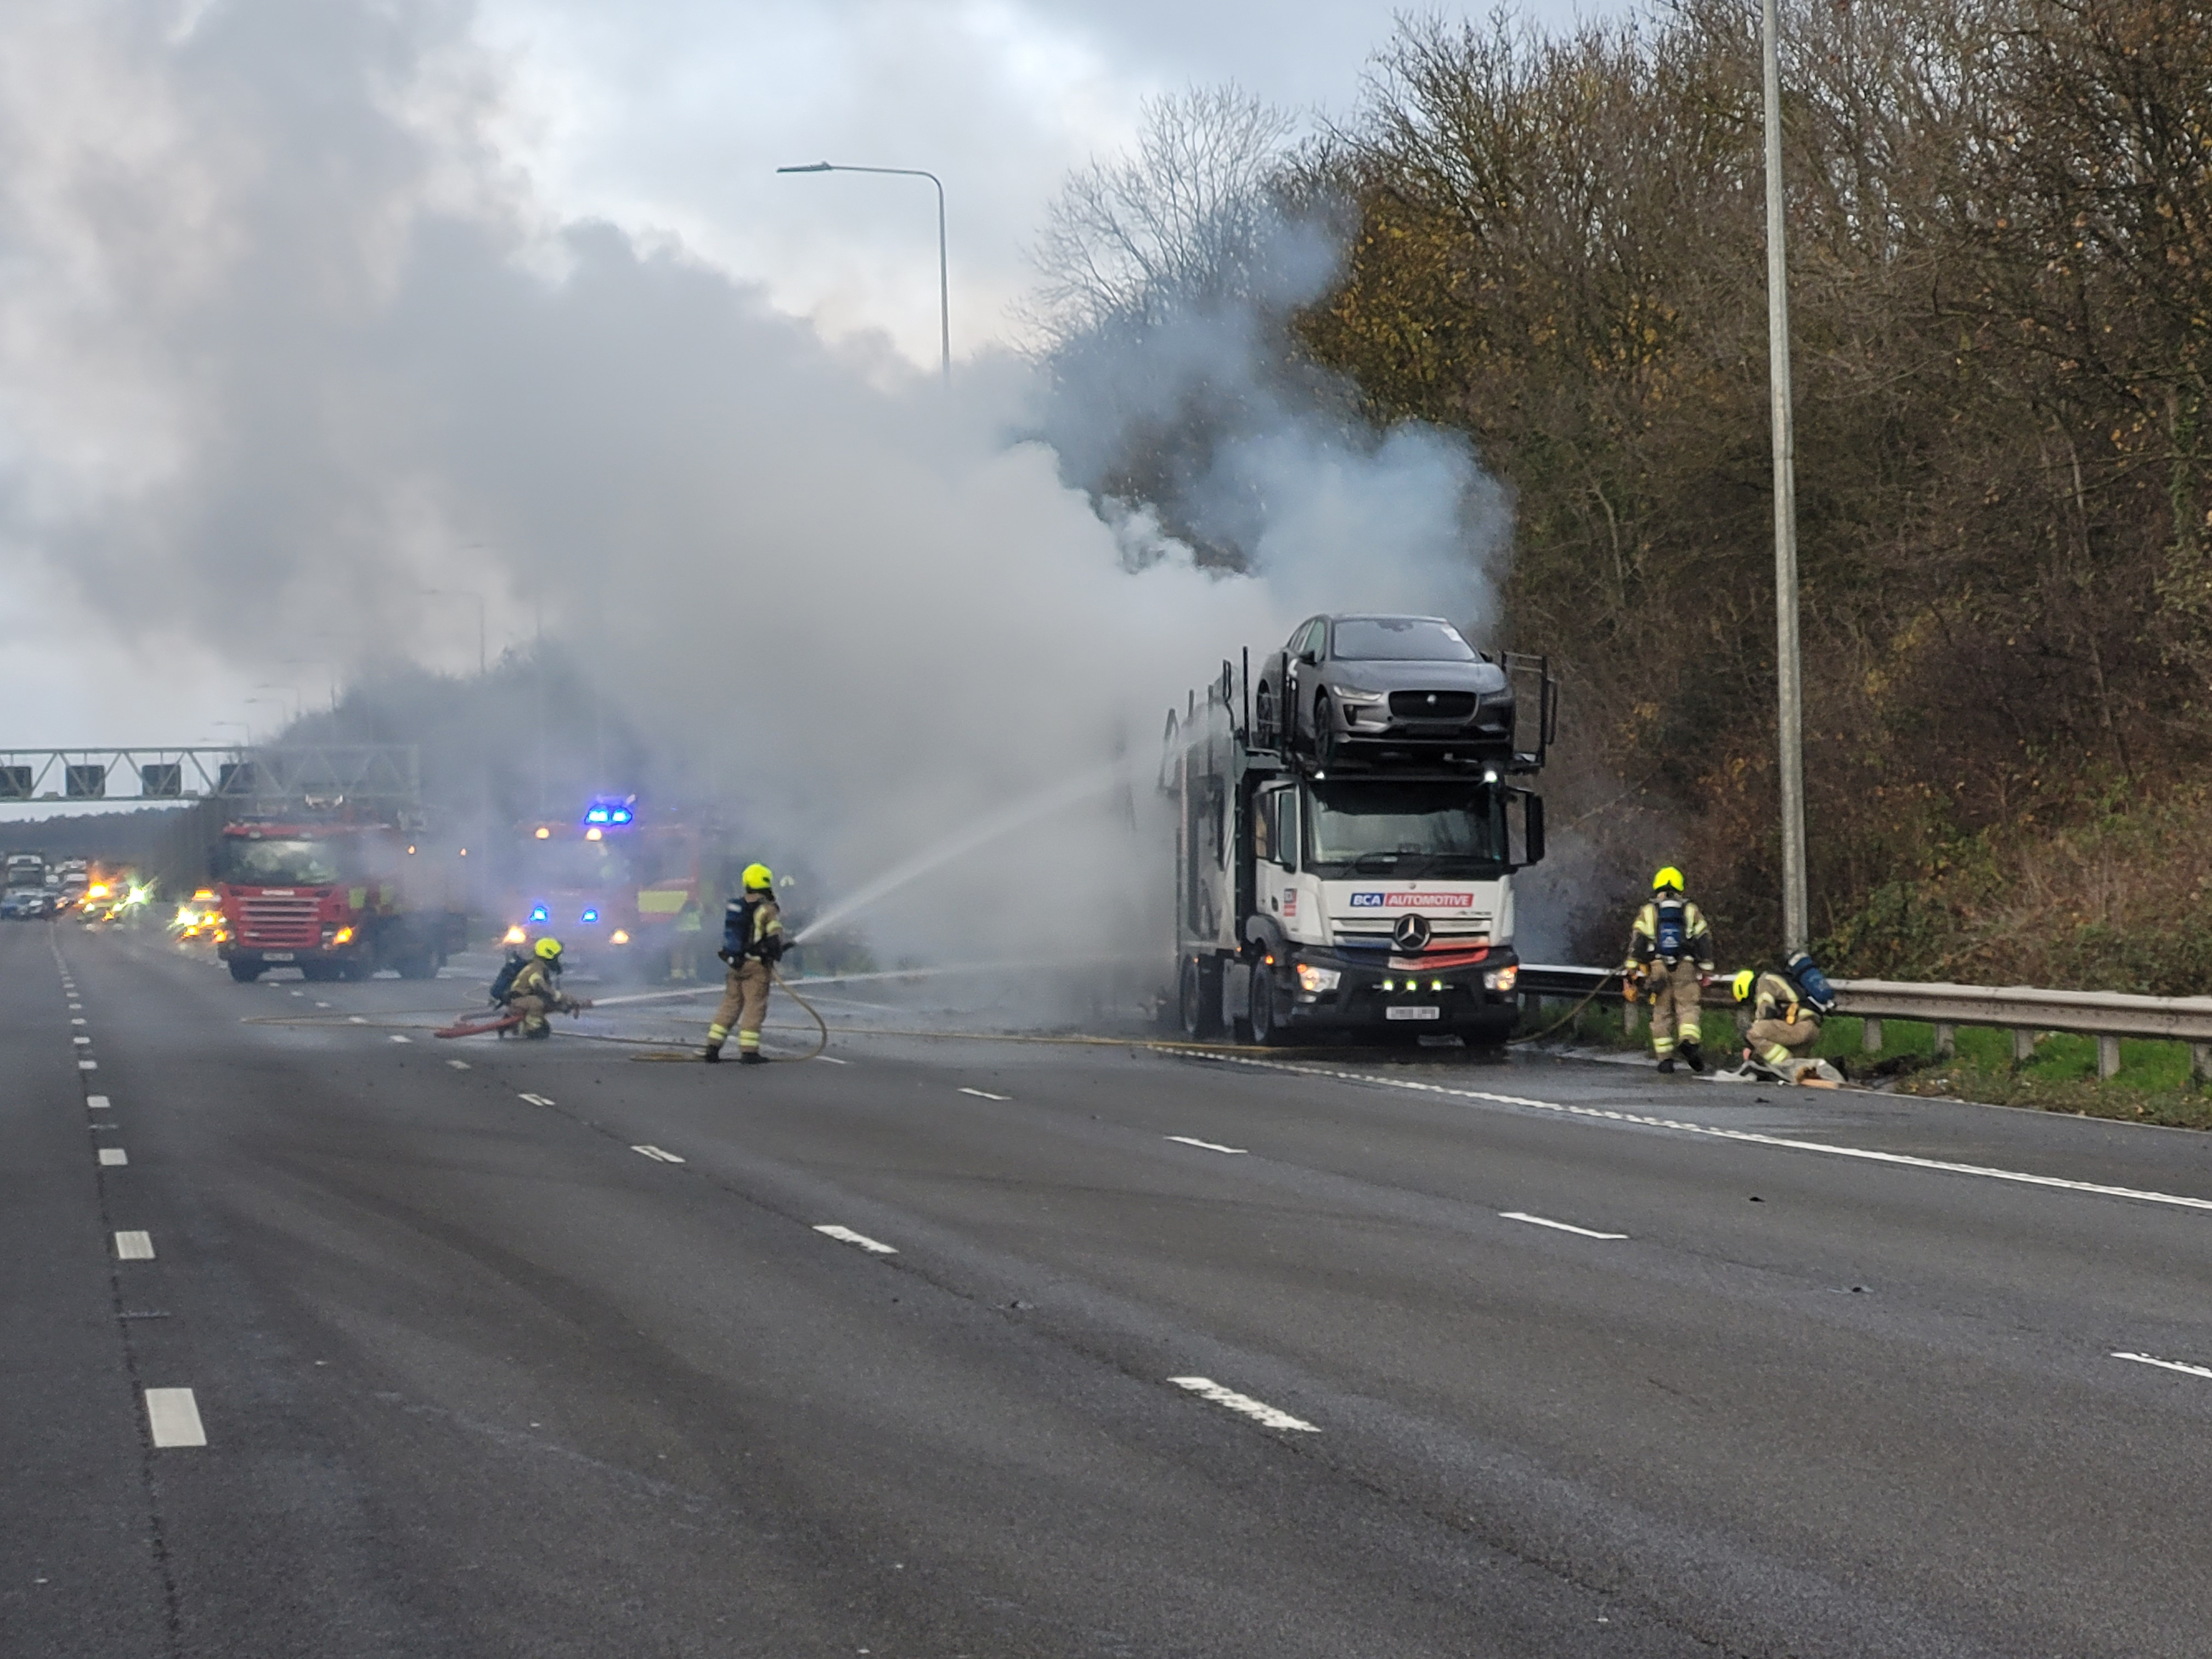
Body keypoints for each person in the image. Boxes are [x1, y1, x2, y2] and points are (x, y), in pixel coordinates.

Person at [1623, 866, 1716, 1073]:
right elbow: (1704, 939)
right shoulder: (1691, 909)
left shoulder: (1648, 911)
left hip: (1657, 968)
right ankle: (1689, 1042)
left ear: (1657, 885)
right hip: (1685, 966)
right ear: (1680, 886)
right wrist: (1706, 969)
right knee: (1688, 1008)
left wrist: (1631, 969)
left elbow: (1638, 941)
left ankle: (1665, 1059)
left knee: (1661, 1012)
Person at [704, 864, 785, 1064]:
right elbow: (774, 937)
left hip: (735, 964)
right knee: (754, 1006)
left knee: (730, 1004)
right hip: (756, 967)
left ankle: (712, 1048)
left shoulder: (737, 906)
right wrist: (776, 952)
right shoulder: (767, 909)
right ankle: (749, 1052)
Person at [1731, 966, 1822, 1075]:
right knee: (1802, 1068)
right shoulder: (1776, 979)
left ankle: (1787, 1066)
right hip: (1811, 1030)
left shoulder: (1763, 982)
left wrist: (1751, 1045)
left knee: (1754, 1033)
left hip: (1799, 1028)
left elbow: (1765, 1013)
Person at [506, 936, 583, 1038]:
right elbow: (542, 988)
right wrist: (563, 997)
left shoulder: (541, 968)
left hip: (524, 1000)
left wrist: (563, 1005)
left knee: (544, 1001)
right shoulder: (535, 969)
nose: (558, 960)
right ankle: (532, 1028)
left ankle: (530, 1023)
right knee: (537, 1002)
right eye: (557, 956)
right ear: (549, 955)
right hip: (518, 1001)